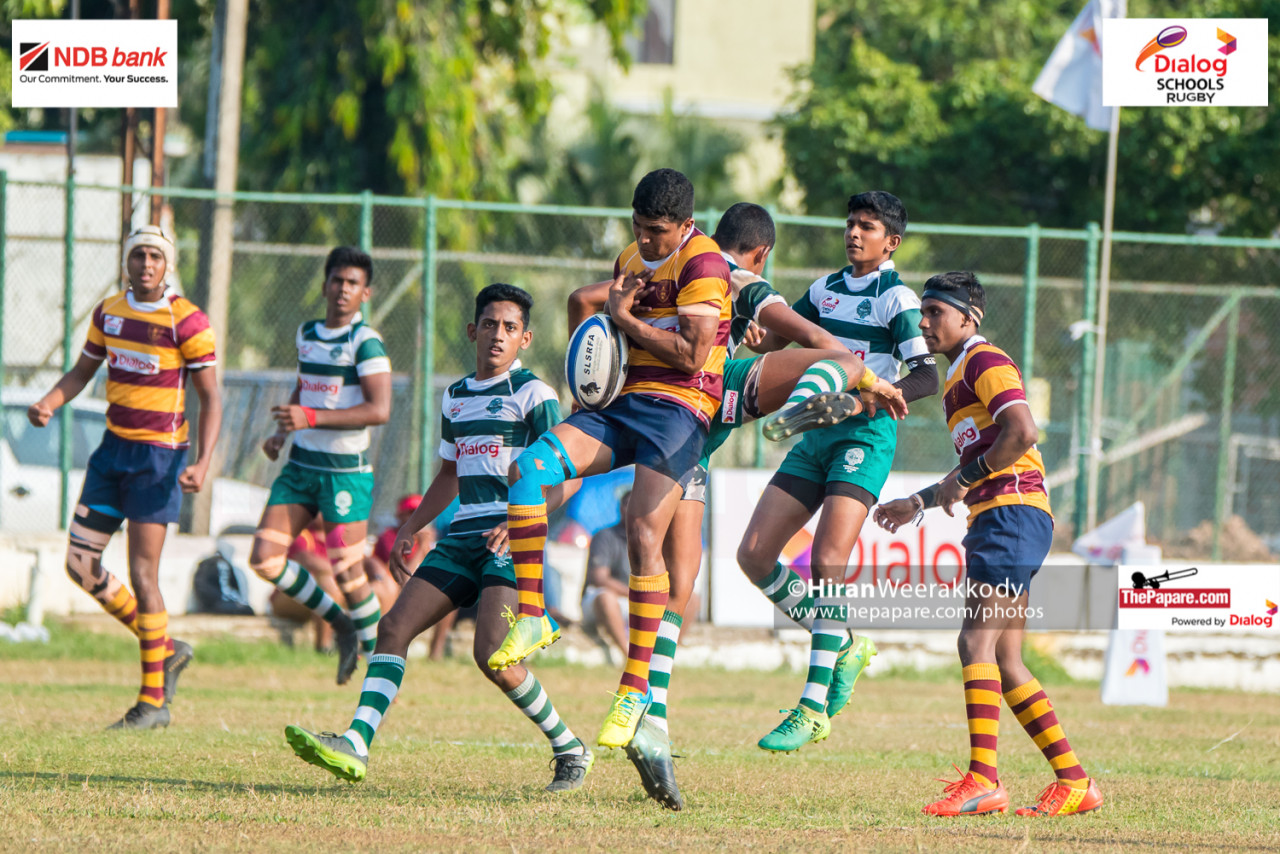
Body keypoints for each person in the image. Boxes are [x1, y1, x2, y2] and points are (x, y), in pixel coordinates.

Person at [567, 201, 907, 808]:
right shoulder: (739, 279)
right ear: (760, 254)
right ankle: (656, 720)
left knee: (681, 580)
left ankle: (658, 719)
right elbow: (813, 338)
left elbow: (583, 298)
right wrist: (863, 376)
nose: (854, 233)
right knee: (694, 577)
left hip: (674, 428)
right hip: (690, 421)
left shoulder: (663, 266)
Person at [286, 283, 593, 793]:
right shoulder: (455, 396)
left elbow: (570, 474)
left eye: (510, 328)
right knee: (393, 629)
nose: (499, 335)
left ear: (526, 339)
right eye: (490, 324)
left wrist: (522, 519)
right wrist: (413, 525)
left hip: (511, 542)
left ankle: (569, 748)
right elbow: (450, 473)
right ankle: (356, 745)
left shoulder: (534, 394)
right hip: (461, 537)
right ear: (474, 330)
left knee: (493, 654)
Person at [488, 168, 733, 754]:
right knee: (528, 471)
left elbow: (692, 353)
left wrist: (624, 319)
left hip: (681, 409)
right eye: (639, 228)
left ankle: (633, 688)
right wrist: (589, 384)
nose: (645, 242)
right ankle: (534, 614)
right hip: (623, 405)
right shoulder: (632, 256)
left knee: (642, 531)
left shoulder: (705, 266)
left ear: (684, 225)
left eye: (656, 232)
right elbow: (584, 304)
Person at [874, 271, 1102, 818]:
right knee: (1004, 658)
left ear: (968, 319)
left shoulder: (983, 360)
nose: (924, 322)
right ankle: (1074, 782)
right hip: (1009, 516)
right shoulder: (959, 378)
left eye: (935, 313)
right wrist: (922, 501)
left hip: (1011, 515)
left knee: (974, 646)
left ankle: (983, 779)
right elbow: (977, 462)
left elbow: (1022, 432)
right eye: (922, 312)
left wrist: (967, 478)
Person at [736, 191, 938, 754]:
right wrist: (757, 338)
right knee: (753, 555)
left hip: (864, 434)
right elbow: (782, 338)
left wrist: (867, 401)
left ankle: (811, 707)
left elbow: (925, 376)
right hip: (814, 431)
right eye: (850, 223)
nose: (854, 233)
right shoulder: (825, 289)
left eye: (867, 227)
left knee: (827, 561)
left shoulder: (895, 297)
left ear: (890, 242)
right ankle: (843, 643)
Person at [26, 225, 221, 729]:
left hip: (159, 459)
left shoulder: (188, 320)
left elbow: (211, 398)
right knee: (79, 563)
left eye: (155, 256)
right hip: (112, 453)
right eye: (138, 255)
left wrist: (202, 461)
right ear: (126, 262)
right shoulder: (109, 312)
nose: (146, 265)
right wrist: (49, 401)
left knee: (142, 576)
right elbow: (81, 371)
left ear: (167, 264)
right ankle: (166, 648)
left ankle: (152, 704)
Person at [246, 246, 392, 685]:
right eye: (337, 280)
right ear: (325, 284)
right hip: (300, 466)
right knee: (265, 559)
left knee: (350, 576)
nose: (343, 290)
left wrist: (311, 417)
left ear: (365, 293)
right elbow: (305, 385)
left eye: (352, 284)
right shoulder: (307, 332)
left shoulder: (365, 342)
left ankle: (381, 675)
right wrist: (282, 432)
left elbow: (379, 409)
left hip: (346, 472)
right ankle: (340, 623)